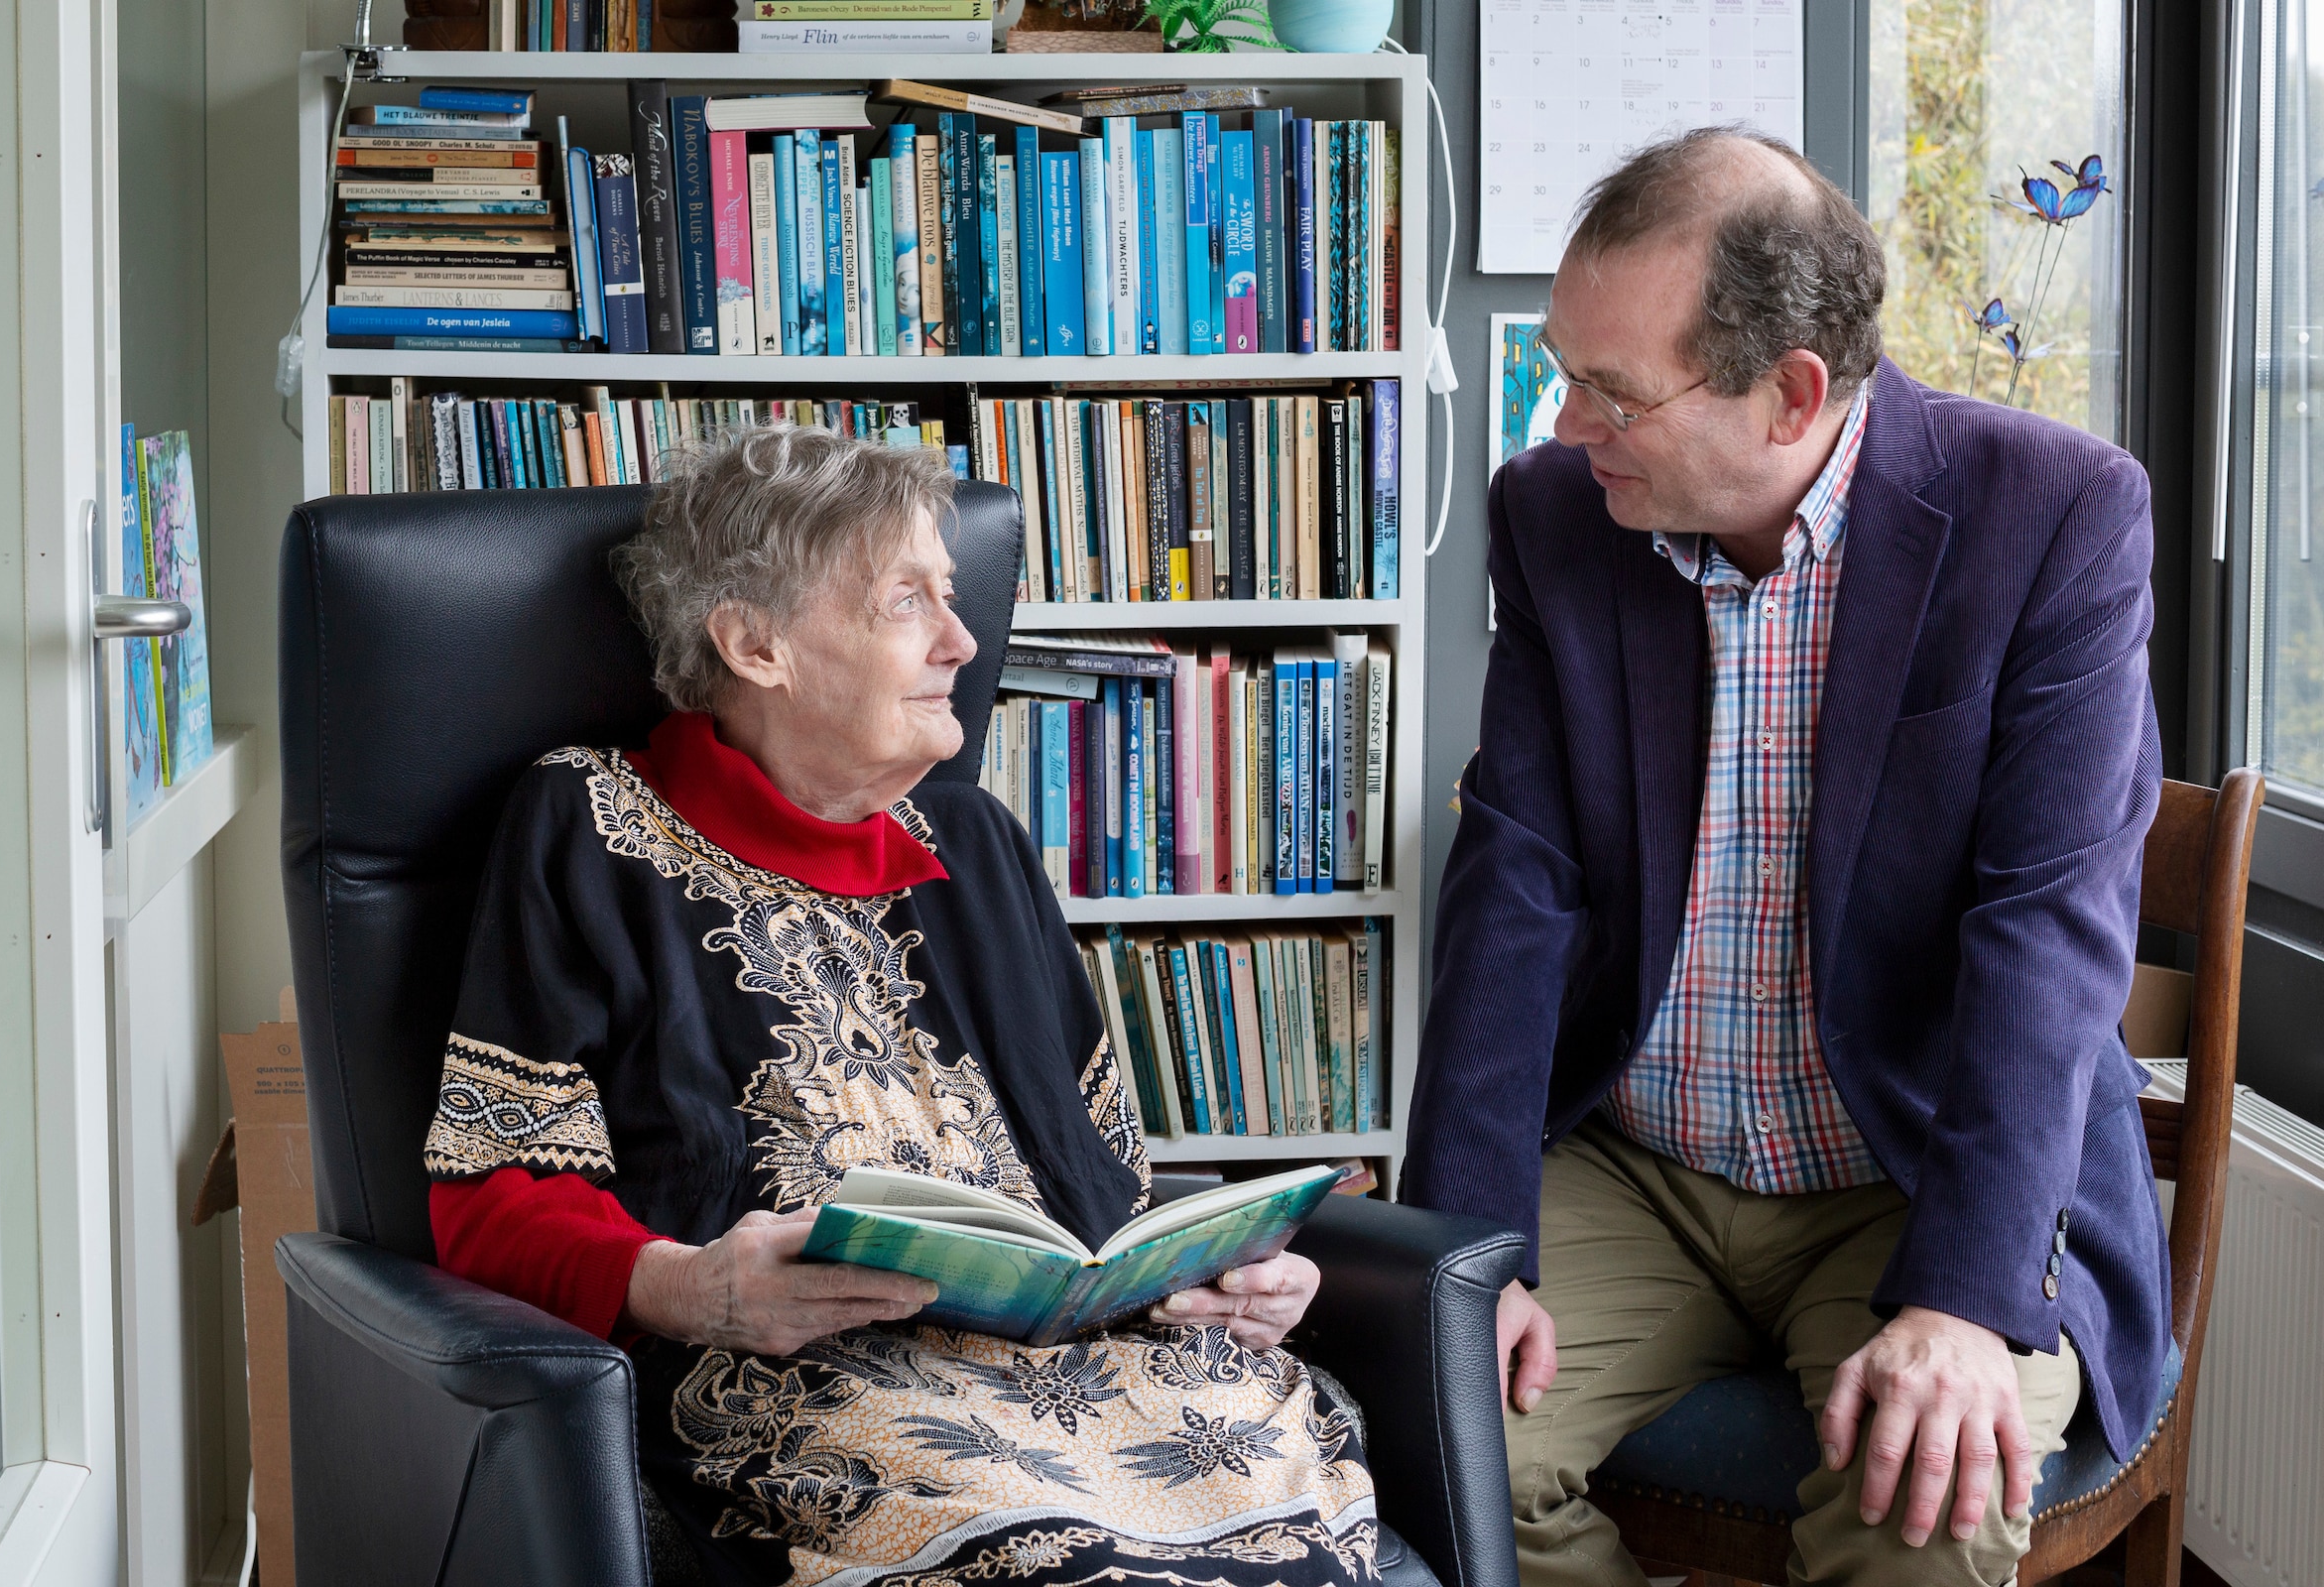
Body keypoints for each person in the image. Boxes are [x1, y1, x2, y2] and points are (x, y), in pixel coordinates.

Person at [1405, 128, 2169, 1587]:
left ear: (1792, 396)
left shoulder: (2056, 514)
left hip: (1919, 1166)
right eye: (1565, 372)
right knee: (1426, 1432)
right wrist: (1475, 1252)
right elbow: (1515, 890)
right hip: (1636, 1164)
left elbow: (2048, 930)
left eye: (1611, 391)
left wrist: (1962, 1302)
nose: (1567, 427)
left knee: (1930, 1491)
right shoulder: (1555, 517)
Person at [422, 425, 1376, 1587]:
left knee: (1286, 1516)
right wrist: (687, 1284)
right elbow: (489, 1192)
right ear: (755, 643)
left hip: (1101, 1373)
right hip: (816, 1393)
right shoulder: (586, 825)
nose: (964, 642)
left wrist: (1221, 1280)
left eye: (954, 594)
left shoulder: (979, 845)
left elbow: (1103, 1188)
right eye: (905, 600)